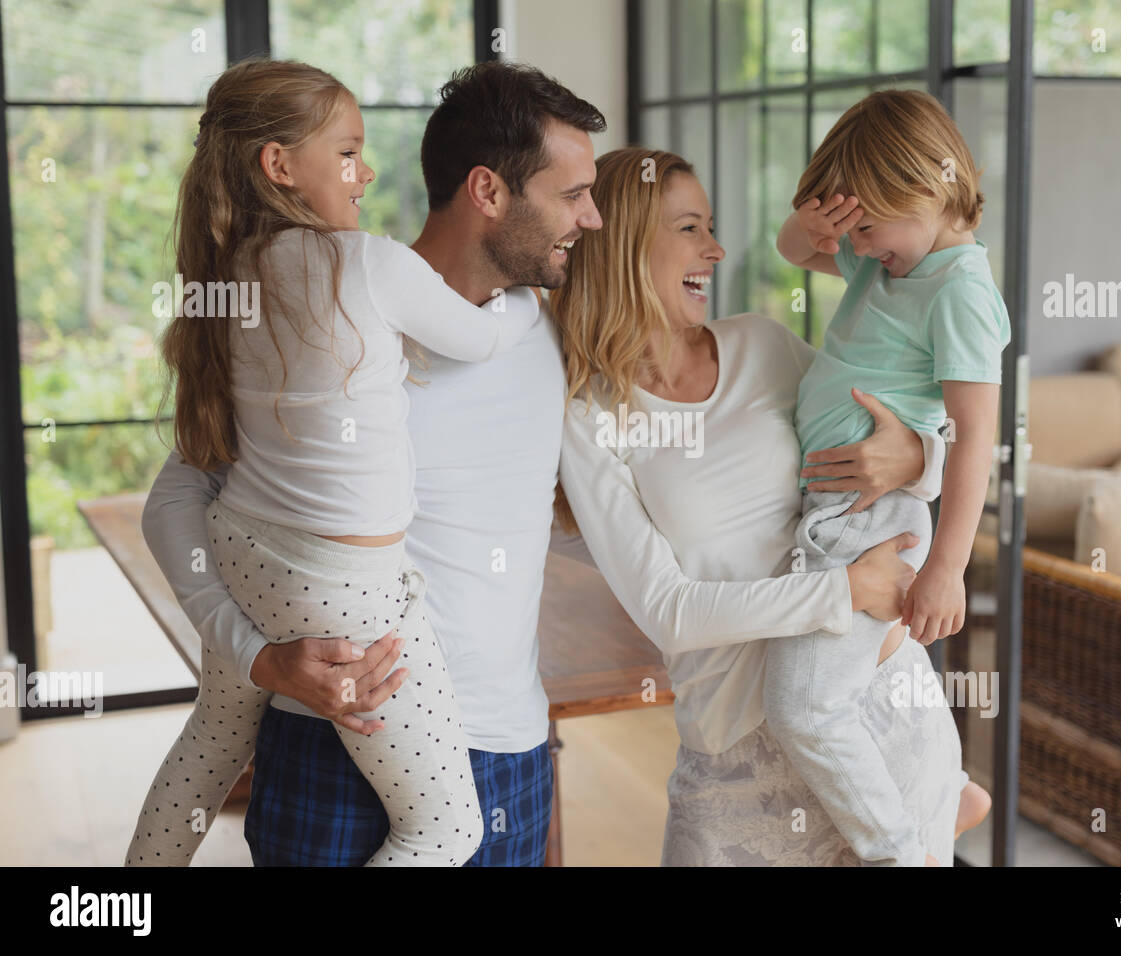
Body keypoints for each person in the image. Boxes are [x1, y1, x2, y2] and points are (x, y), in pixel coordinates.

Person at [136, 61, 603, 866]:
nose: (590, 219)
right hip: (330, 745)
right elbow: (173, 504)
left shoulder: (553, 337)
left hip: (510, 743)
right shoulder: (341, 324)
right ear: (488, 191)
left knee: (212, 743)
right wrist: (256, 657)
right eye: (570, 195)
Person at [551, 147, 952, 866]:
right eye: (689, 228)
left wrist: (923, 457)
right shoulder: (590, 415)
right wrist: (842, 591)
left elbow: (899, 444)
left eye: (711, 226)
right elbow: (669, 610)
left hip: (877, 716)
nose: (717, 248)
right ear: (622, 247)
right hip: (735, 749)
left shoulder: (762, 347)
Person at [765, 88, 1006, 864]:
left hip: (878, 516)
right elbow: (793, 251)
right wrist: (816, 228)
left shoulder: (960, 289)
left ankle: (894, 850)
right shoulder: (891, 260)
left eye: (865, 226)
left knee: (804, 707)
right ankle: (957, 789)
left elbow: (976, 438)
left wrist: (946, 569)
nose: (857, 249)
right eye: (852, 231)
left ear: (926, 190)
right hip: (837, 509)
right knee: (869, 679)